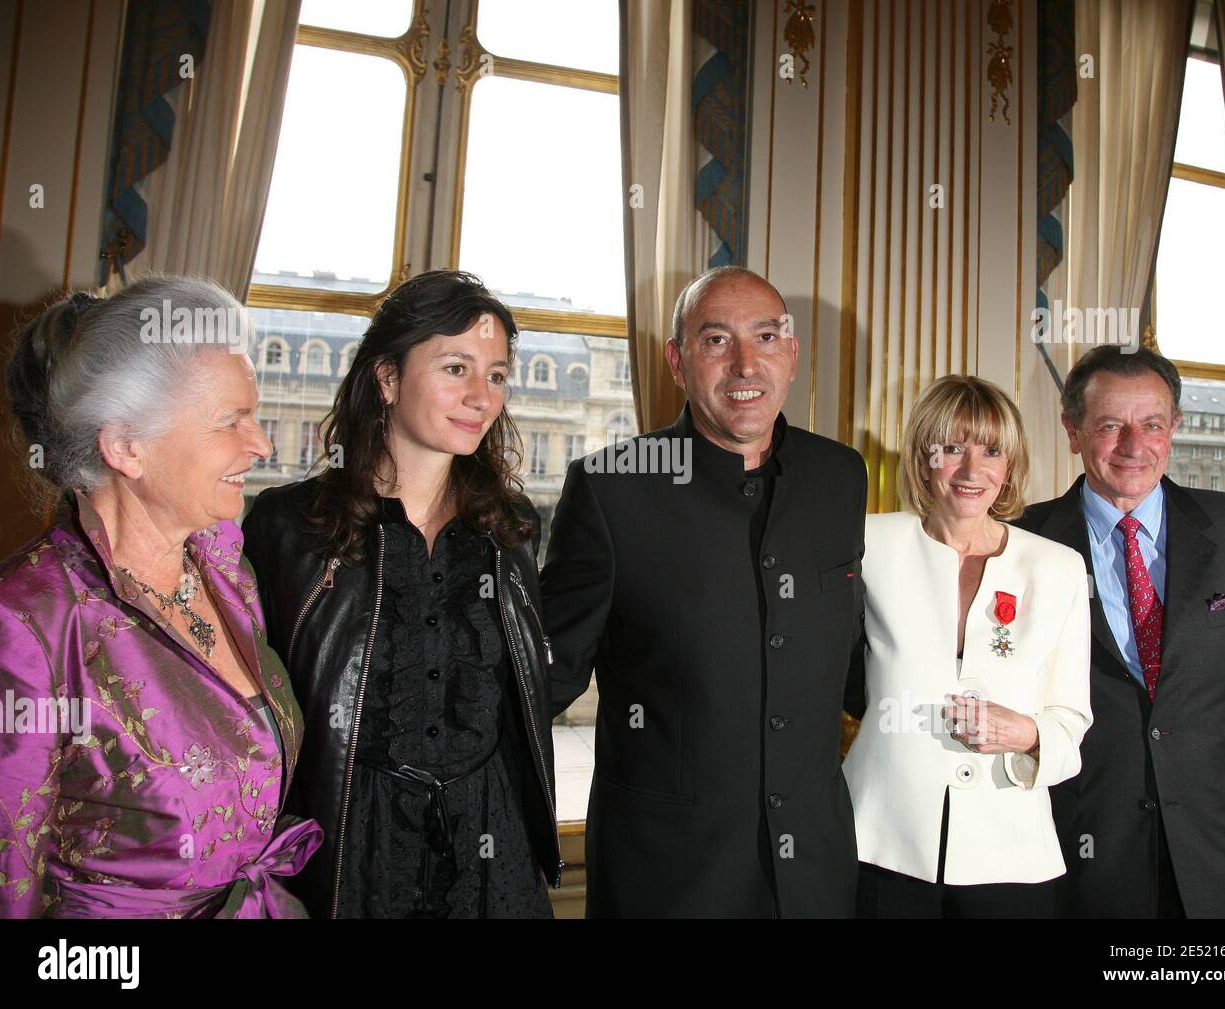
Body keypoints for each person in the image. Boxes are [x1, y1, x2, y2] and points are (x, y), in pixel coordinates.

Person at [0, 277, 321, 918]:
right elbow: (5, 880)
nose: (262, 444)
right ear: (127, 448)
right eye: (232, 421)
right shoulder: (25, 621)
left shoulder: (223, 567)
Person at [540, 266, 866, 917]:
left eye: (766, 337)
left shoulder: (841, 476)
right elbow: (540, 677)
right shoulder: (612, 486)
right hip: (665, 881)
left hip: (815, 880)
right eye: (716, 340)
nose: (746, 363)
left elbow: (861, 660)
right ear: (678, 362)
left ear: (792, 354)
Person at [242, 270, 560, 919]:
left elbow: (524, 699)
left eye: (497, 374)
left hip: (490, 853)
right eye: (456, 368)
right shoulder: (287, 528)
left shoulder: (508, 529)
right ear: (387, 378)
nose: (481, 395)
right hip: (351, 850)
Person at [1013, 345, 1225, 917]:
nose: (1134, 447)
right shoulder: (1022, 545)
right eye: (1111, 425)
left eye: (1152, 425)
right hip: (1084, 855)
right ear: (1073, 430)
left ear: (1175, 429)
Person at [843, 375, 1091, 917]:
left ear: (1010, 465)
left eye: (992, 451)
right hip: (880, 843)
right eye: (951, 448)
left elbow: (1072, 717)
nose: (972, 470)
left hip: (1013, 854)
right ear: (923, 459)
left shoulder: (1058, 569)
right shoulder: (867, 545)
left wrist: (1026, 733)